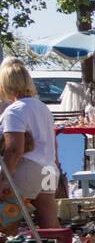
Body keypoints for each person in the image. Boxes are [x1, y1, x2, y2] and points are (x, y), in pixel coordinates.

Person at [0, 57, 59, 228]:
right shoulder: (42, 107)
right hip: (48, 167)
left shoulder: (15, 110)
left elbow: (14, 149)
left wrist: (4, 179)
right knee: (47, 214)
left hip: (28, 167)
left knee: (9, 216)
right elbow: (53, 142)